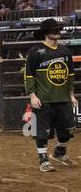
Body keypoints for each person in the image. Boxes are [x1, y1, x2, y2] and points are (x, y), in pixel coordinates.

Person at [22, 18, 76, 171]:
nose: (58, 32)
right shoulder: (35, 52)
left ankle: (60, 151)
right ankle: (43, 159)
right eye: (54, 30)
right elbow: (29, 75)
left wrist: (71, 94)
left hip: (62, 97)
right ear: (46, 33)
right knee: (42, 131)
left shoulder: (65, 51)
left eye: (59, 29)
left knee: (66, 131)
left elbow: (70, 75)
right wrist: (32, 95)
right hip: (43, 98)